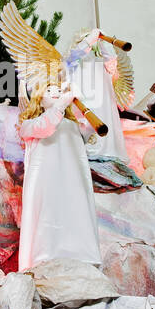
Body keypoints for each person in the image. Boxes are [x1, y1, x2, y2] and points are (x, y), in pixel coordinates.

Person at [16, 80, 102, 270]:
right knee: (48, 215)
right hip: (47, 181)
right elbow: (45, 127)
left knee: (76, 211)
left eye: (59, 90)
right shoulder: (29, 124)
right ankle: (44, 258)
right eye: (49, 90)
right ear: (38, 100)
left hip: (73, 180)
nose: (55, 93)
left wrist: (80, 101)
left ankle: (82, 256)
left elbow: (93, 138)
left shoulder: (74, 125)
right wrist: (62, 104)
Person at [63, 28, 129, 162]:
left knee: (104, 131)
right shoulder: (73, 61)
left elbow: (111, 57)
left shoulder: (104, 63)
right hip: (85, 105)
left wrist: (102, 40)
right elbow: (70, 60)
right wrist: (88, 40)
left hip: (103, 106)